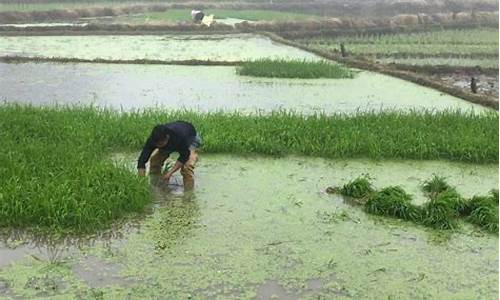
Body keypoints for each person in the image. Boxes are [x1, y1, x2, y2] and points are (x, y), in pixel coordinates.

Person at [137, 121, 201, 191]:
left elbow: (184, 155)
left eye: (160, 144)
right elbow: (142, 161)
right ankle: (156, 187)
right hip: (171, 141)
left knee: (186, 168)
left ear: (167, 138)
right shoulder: (152, 140)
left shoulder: (179, 136)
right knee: (155, 161)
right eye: (156, 145)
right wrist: (141, 184)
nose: (158, 146)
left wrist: (170, 173)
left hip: (190, 138)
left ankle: (188, 194)